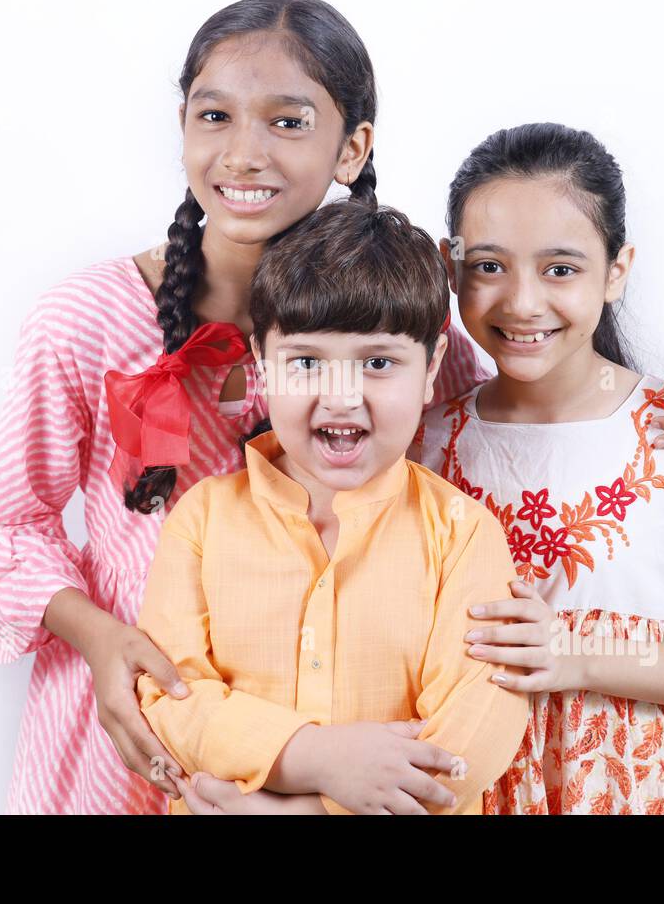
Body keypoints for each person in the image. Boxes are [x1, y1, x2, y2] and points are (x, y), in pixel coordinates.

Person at [0, 0, 664, 814]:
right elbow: (3, 525)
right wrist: (103, 642)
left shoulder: (397, 317)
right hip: (133, 722)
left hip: (361, 758)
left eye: (288, 122)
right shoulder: (83, 321)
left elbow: (503, 408)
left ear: (353, 148)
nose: (244, 154)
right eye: (215, 116)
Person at [414, 122, 664, 813]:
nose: (523, 302)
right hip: (480, 783)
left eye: (561, 268)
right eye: (489, 266)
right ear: (450, 266)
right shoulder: (425, 445)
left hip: (642, 784)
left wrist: (575, 657)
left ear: (616, 271)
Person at [136, 199, 531, 814]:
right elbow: (172, 698)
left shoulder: (463, 535)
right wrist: (310, 758)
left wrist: (299, 812)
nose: (341, 397)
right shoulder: (201, 522)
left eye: (378, 363)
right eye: (306, 362)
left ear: (430, 373)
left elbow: (475, 732)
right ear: (262, 369)